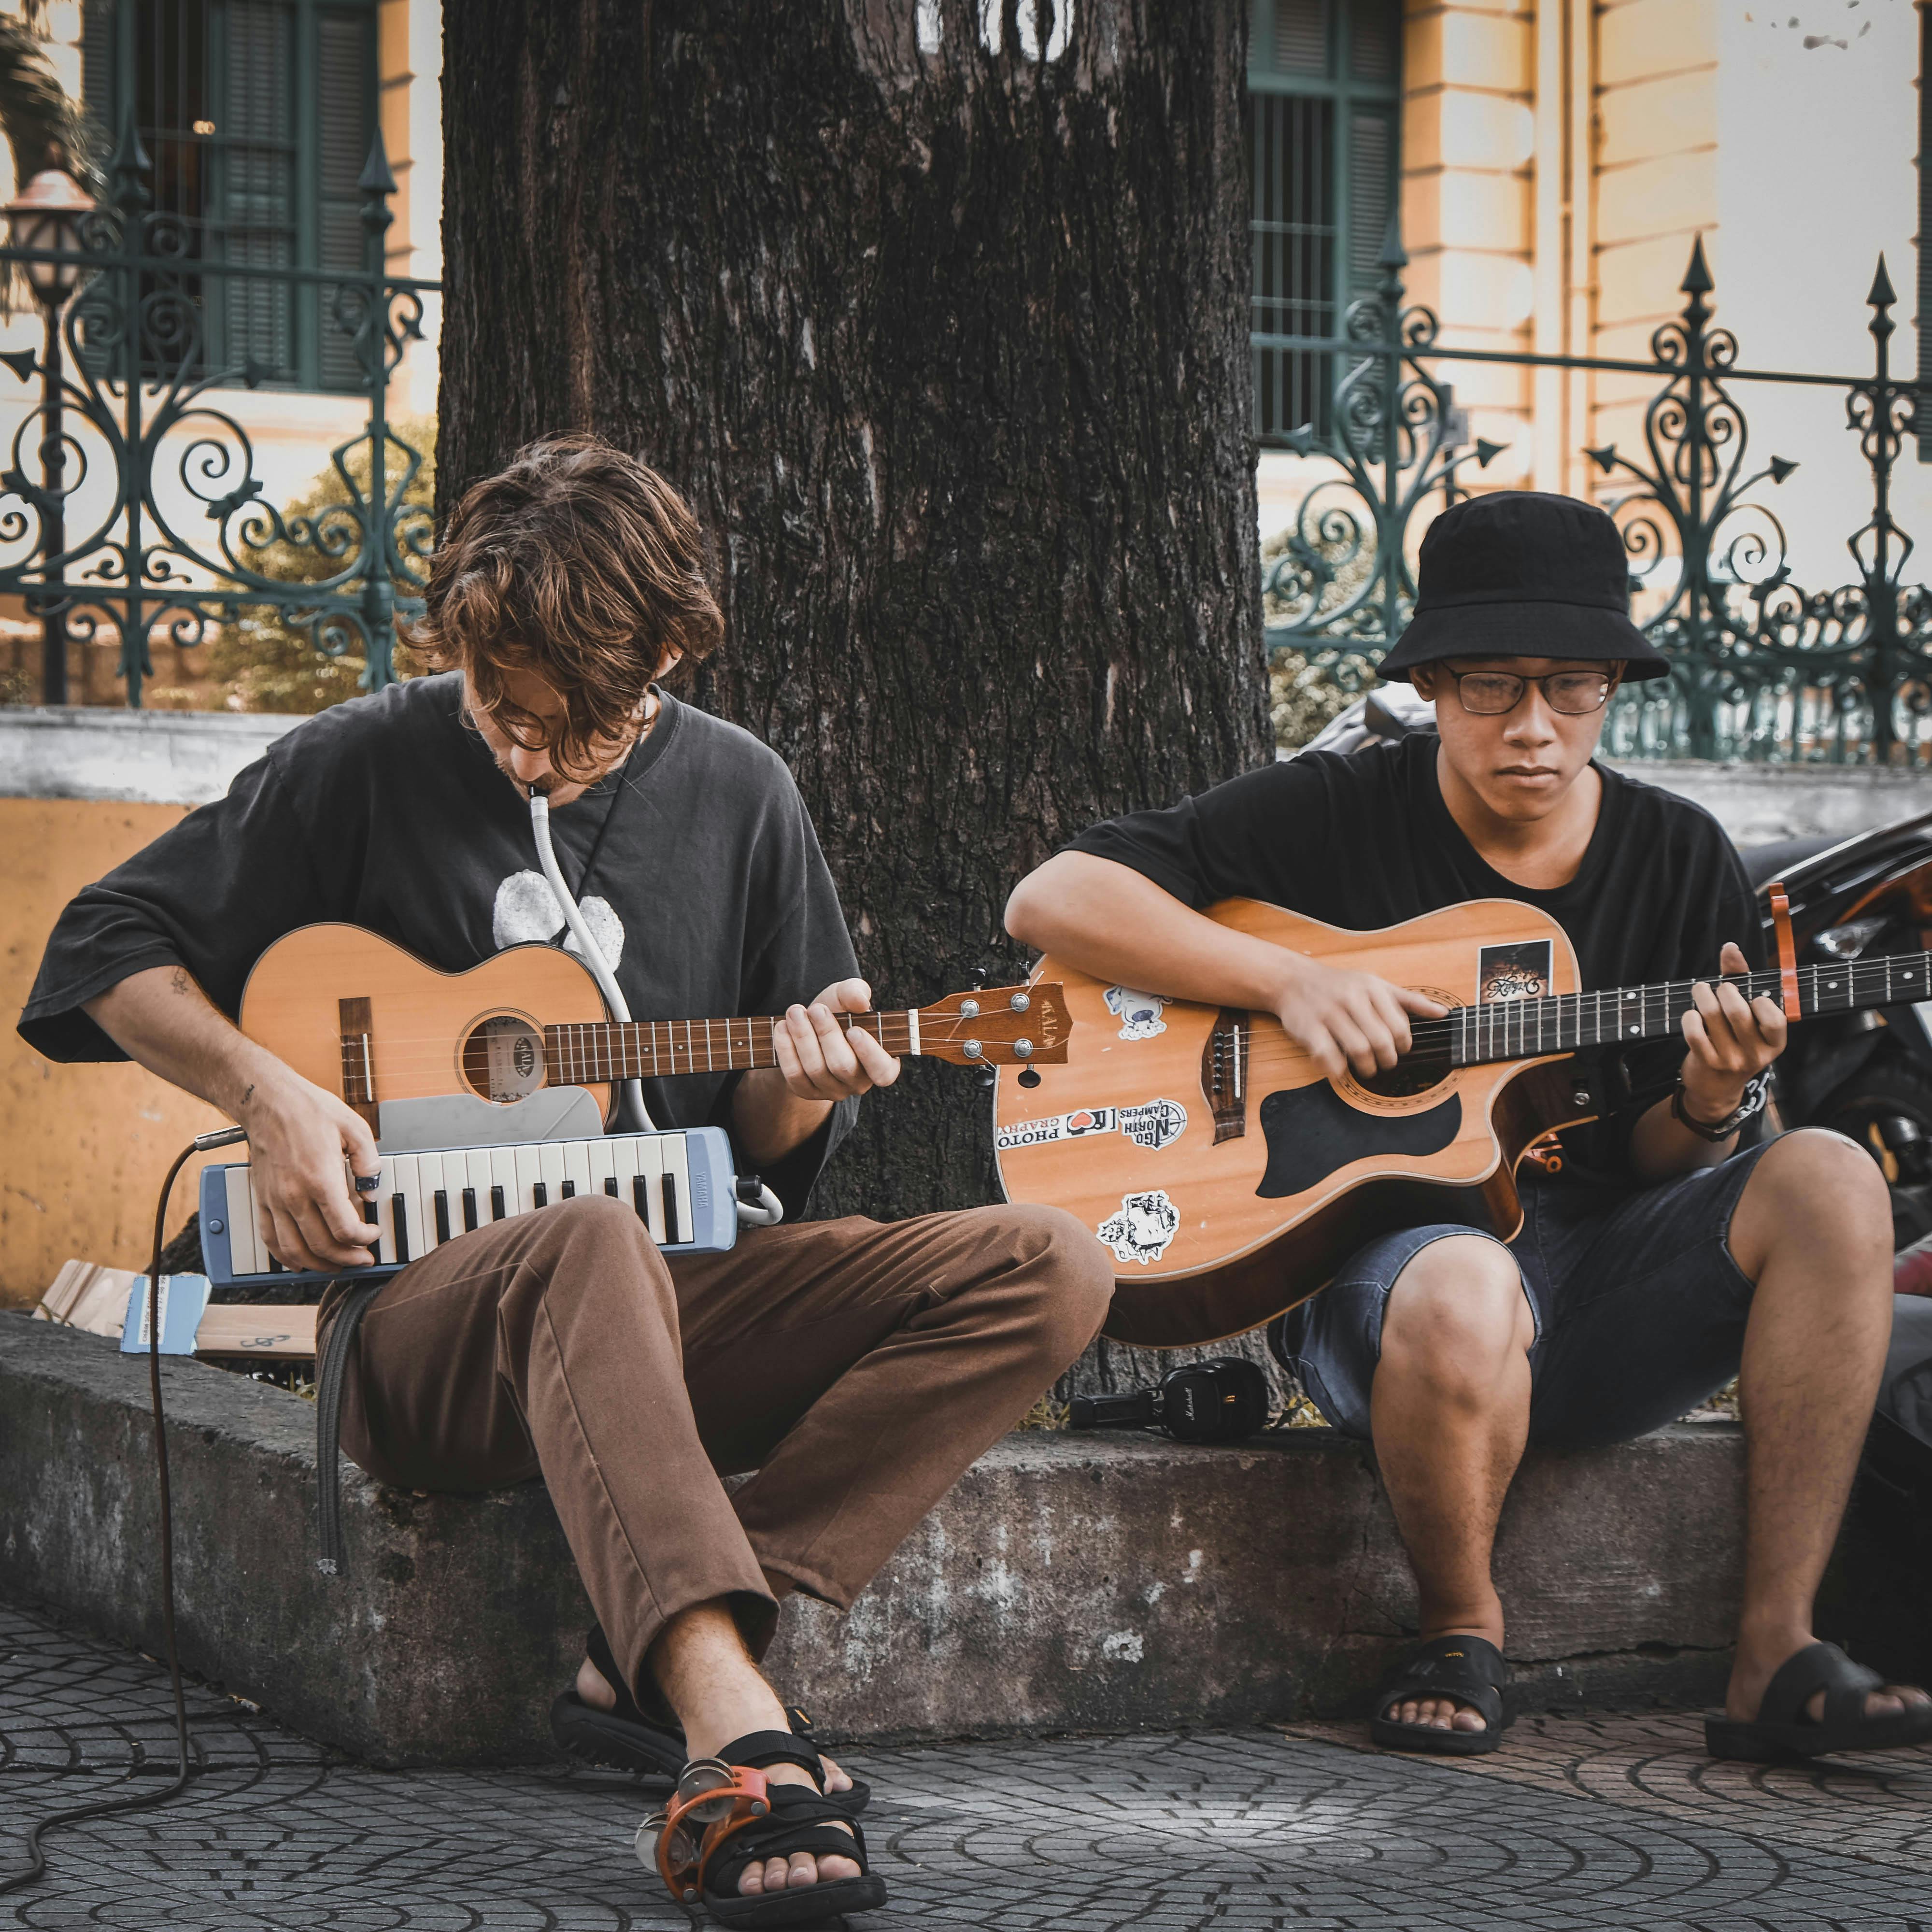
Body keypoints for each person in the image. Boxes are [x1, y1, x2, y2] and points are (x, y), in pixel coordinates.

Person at [19, 435, 1114, 1924]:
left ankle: (659, 1653)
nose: (523, 757)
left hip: (668, 1310)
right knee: (583, 1231)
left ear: (665, 653)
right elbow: (95, 950)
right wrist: (263, 1092)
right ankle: (733, 1735)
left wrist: (795, 1080)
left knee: (1051, 1261)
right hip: (419, 1335)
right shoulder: (368, 760)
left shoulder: (743, 793)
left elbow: (773, 1145)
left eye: (567, 732)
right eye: (499, 711)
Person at [1005, 490, 1932, 1763]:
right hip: (1396, 1303)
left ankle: (1775, 1651)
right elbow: (1054, 899)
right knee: (1461, 1278)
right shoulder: (1333, 813)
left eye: (1572, 686)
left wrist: (1712, 1108)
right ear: (1434, 684)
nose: (1535, 727)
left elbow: (1651, 1161)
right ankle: (1461, 1624)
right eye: (1493, 686)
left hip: (1598, 1289)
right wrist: (1289, 983)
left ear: (1614, 685)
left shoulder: (1676, 855)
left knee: (1829, 1177)